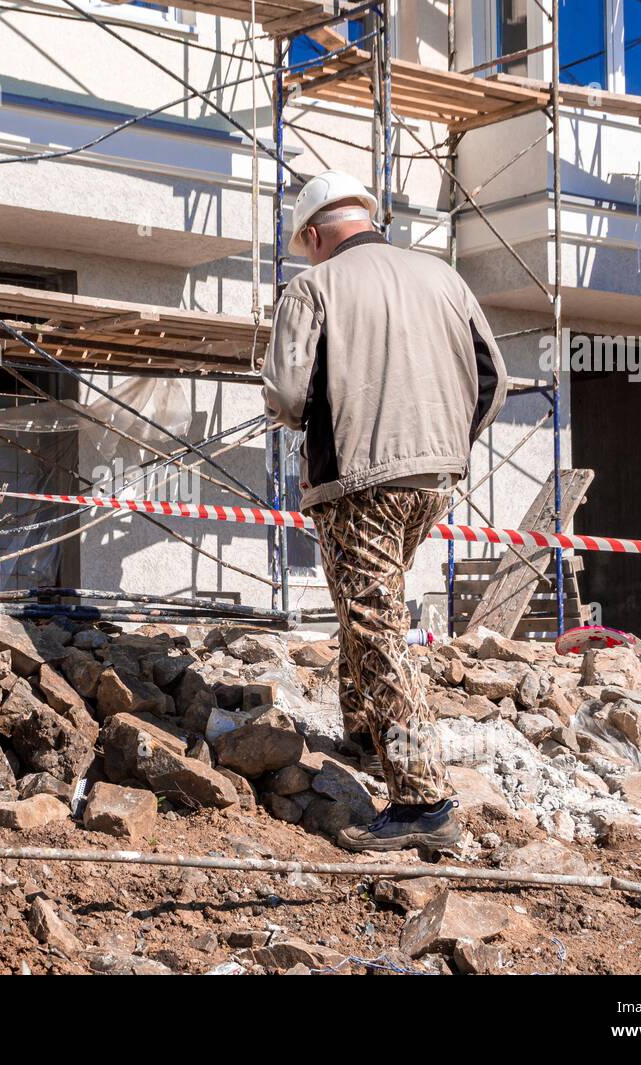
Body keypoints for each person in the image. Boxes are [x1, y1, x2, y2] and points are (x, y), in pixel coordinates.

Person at [260, 171, 506, 857]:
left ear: (313, 234)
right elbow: (494, 381)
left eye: (304, 244)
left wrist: (311, 420)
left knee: (376, 629)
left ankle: (419, 796)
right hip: (432, 478)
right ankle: (365, 729)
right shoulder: (443, 279)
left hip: (359, 482)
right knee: (366, 605)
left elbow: (284, 391)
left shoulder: (314, 287)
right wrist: (445, 442)